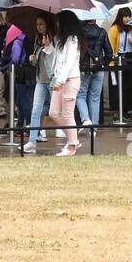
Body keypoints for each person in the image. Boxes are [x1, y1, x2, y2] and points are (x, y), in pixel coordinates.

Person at [47, 11, 83, 156]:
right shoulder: (60, 39)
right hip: (60, 79)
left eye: (59, 21)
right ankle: (72, 139)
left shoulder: (73, 40)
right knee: (53, 112)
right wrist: (48, 46)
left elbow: (69, 62)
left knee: (68, 114)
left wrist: (60, 80)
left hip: (70, 80)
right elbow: (57, 60)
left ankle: (72, 146)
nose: (57, 24)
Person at [22, 13, 56, 154]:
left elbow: (56, 58)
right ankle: (32, 141)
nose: (39, 27)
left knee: (57, 112)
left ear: (47, 24)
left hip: (53, 80)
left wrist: (49, 47)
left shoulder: (54, 39)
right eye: (37, 24)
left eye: (41, 24)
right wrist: (33, 58)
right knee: (35, 110)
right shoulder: (38, 40)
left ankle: (70, 138)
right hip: (40, 80)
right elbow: (39, 61)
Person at [77, 16, 112, 127]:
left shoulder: (79, 33)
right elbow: (109, 53)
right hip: (99, 67)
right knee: (95, 98)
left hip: (84, 68)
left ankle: (86, 119)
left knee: (80, 95)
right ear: (95, 19)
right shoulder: (102, 32)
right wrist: (102, 63)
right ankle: (94, 127)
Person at [107, 7, 132, 121]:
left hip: (128, 57)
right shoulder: (114, 29)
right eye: (125, 16)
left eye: (129, 16)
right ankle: (116, 111)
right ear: (120, 17)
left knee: (128, 85)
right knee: (116, 86)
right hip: (117, 57)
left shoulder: (131, 29)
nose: (127, 19)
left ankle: (126, 110)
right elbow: (110, 45)